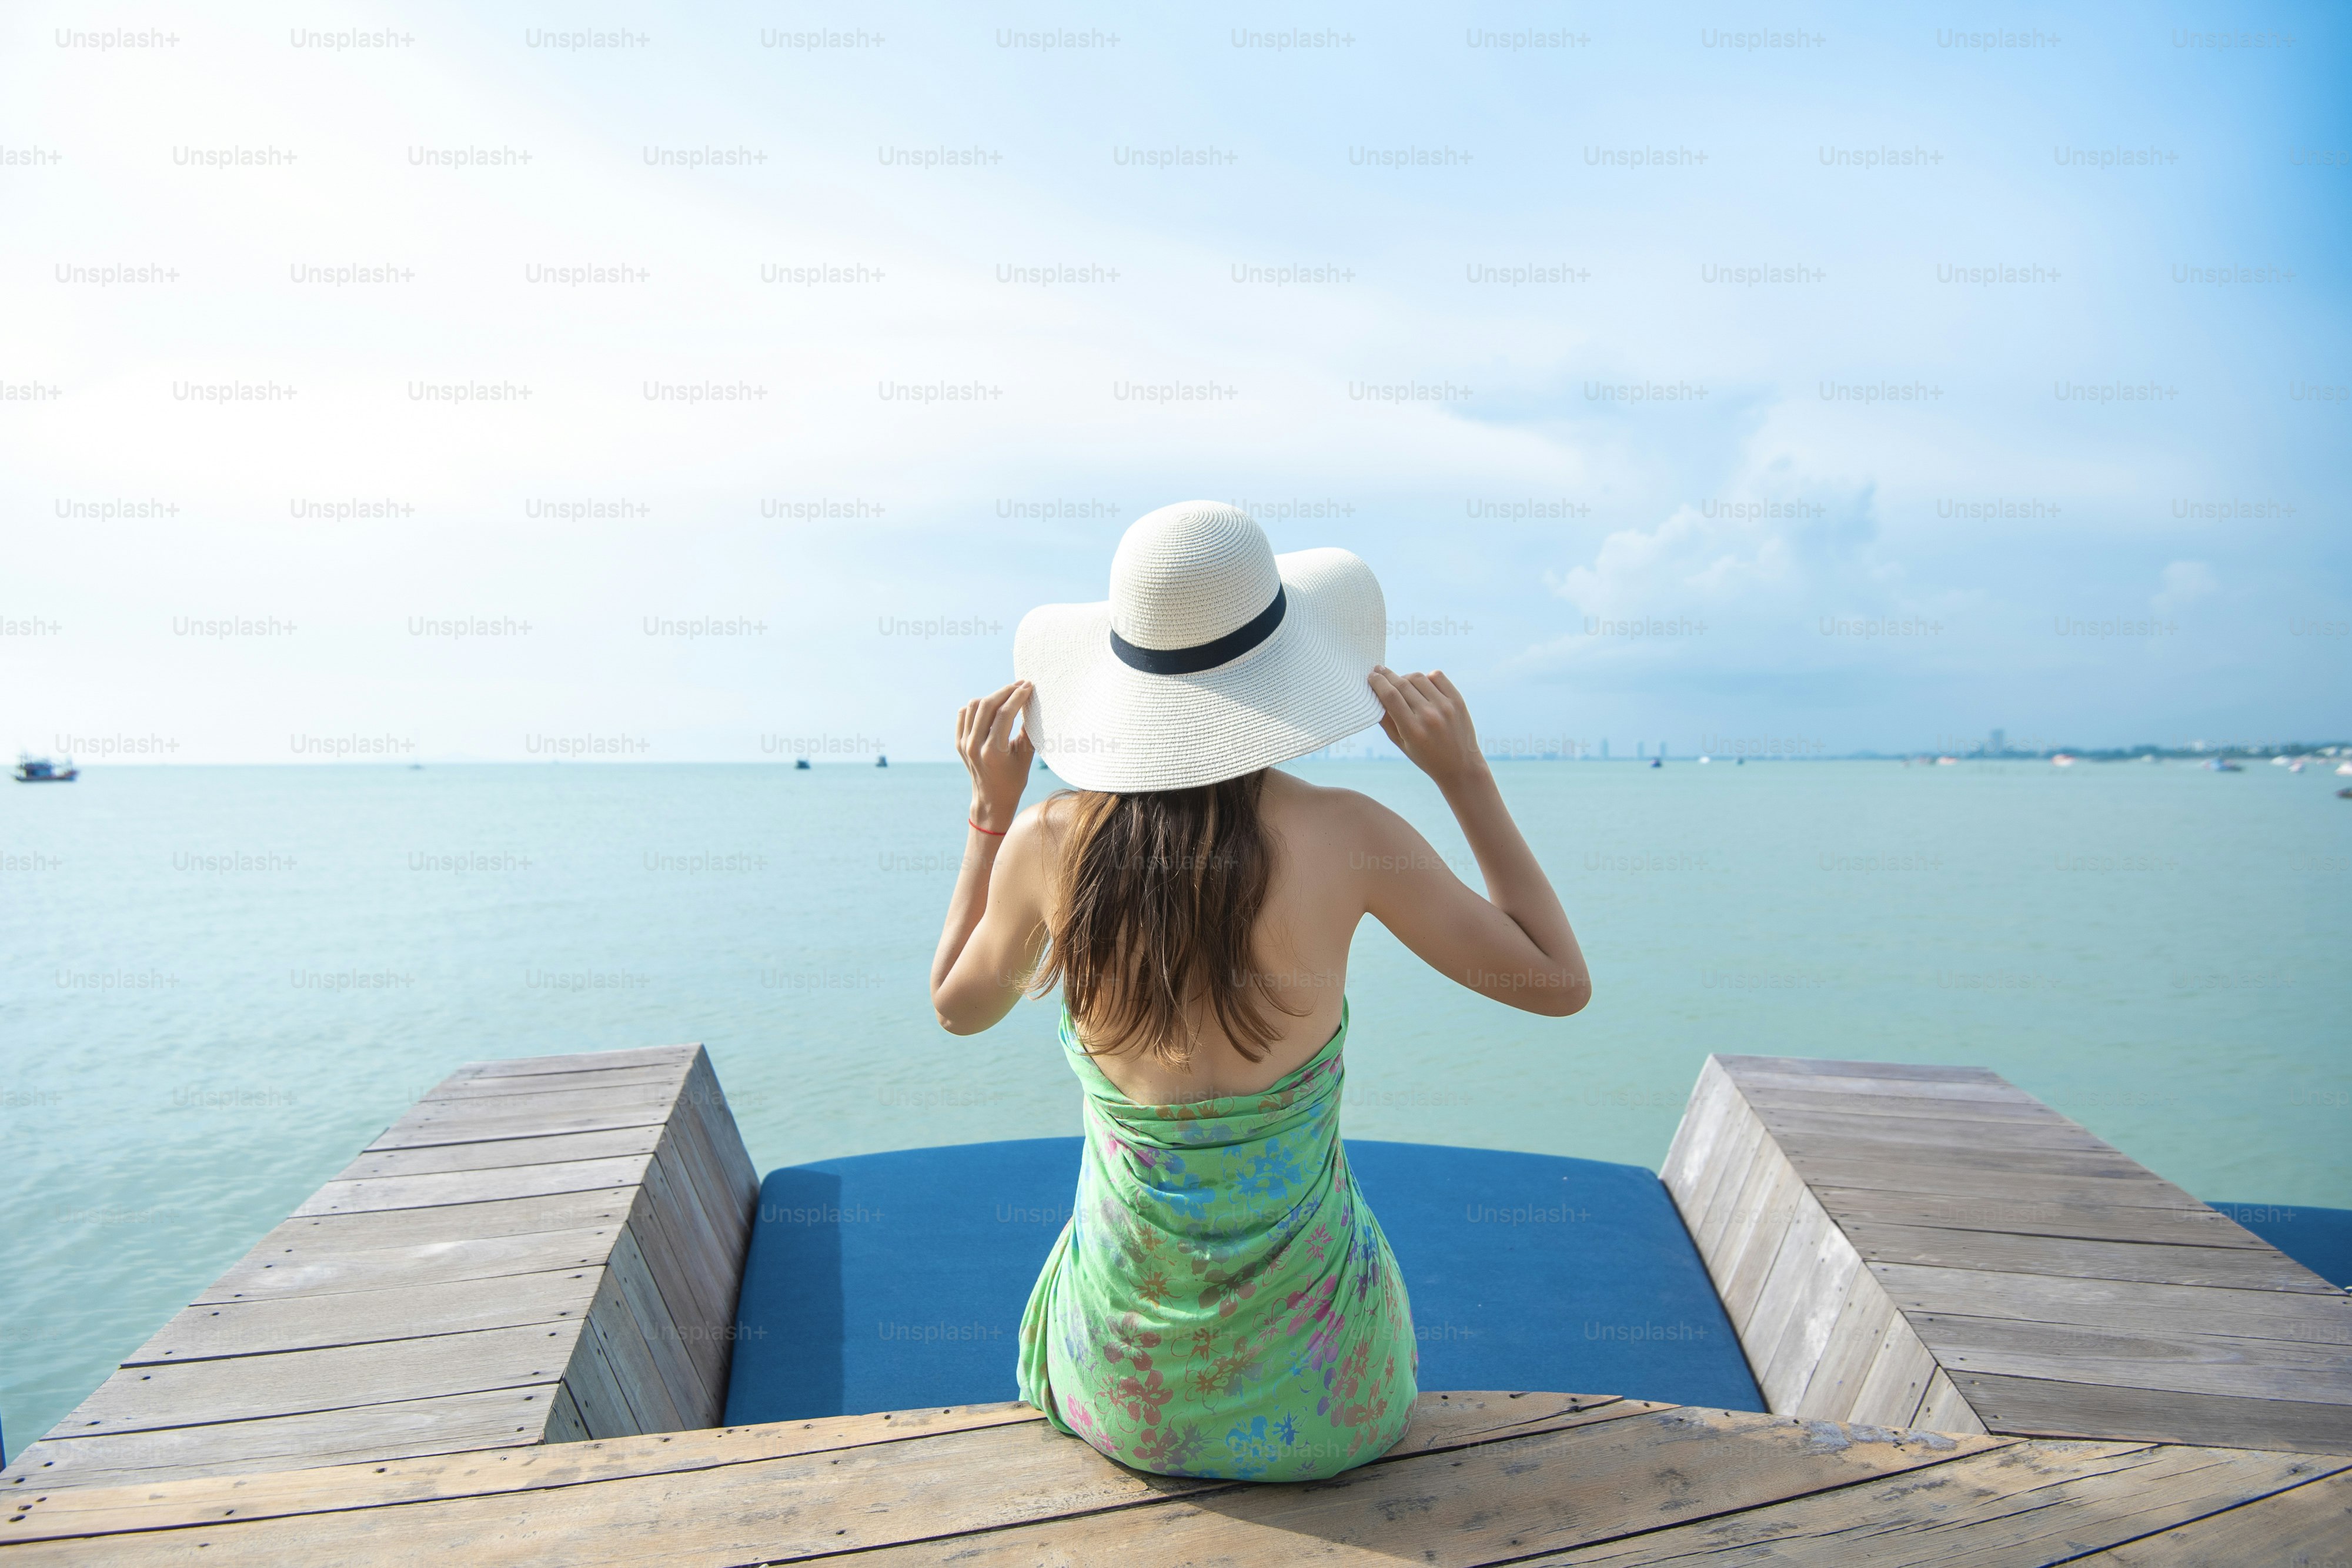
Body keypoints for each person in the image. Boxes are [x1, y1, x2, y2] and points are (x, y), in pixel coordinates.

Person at [929, 501, 1589, 1482]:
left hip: (1125, 1396)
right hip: (1328, 1401)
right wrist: (1466, 777)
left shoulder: (1049, 845)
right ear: (1283, 668)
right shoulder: (1350, 836)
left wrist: (989, 817)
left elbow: (957, 1005)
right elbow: (1556, 982)